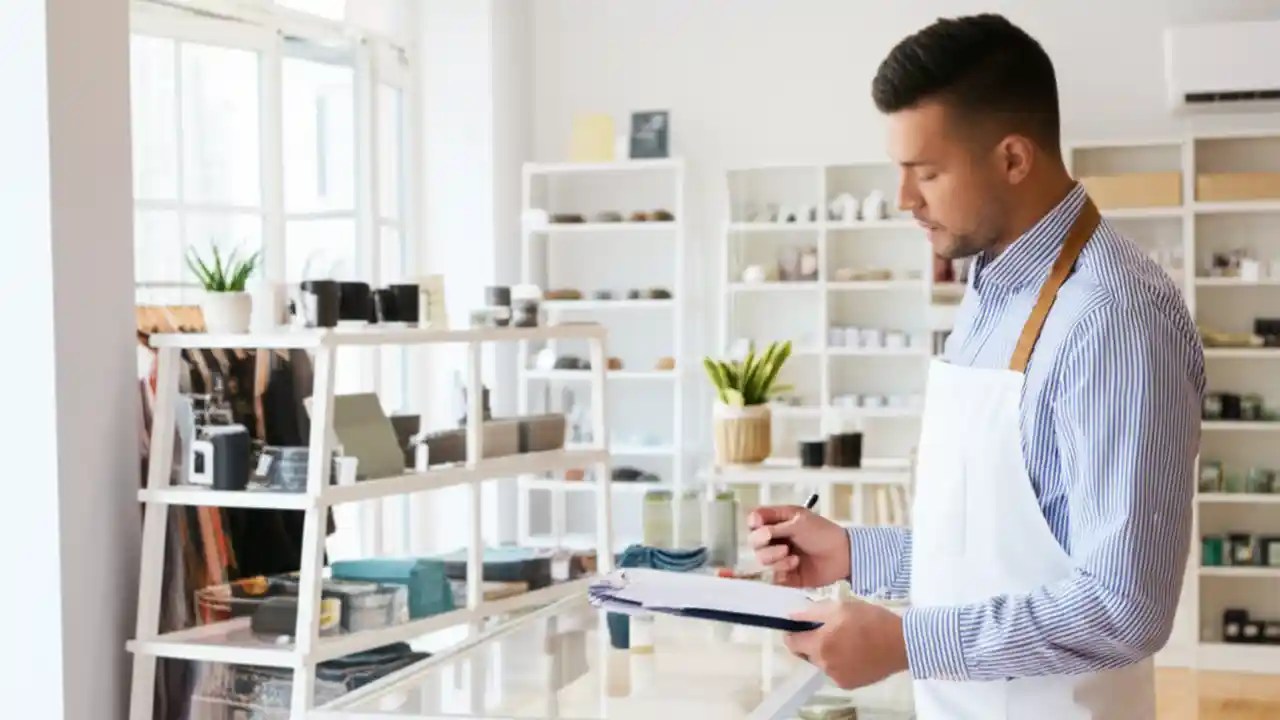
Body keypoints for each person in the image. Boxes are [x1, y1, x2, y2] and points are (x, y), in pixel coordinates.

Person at [749, 13, 1204, 719]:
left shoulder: (1112, 318)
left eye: (926, 173)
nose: (903, 199)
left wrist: (907, 643)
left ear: (1014, 159)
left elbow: (1125, 608)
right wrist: (850, 554)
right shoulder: (990, 293)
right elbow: (995, 553)